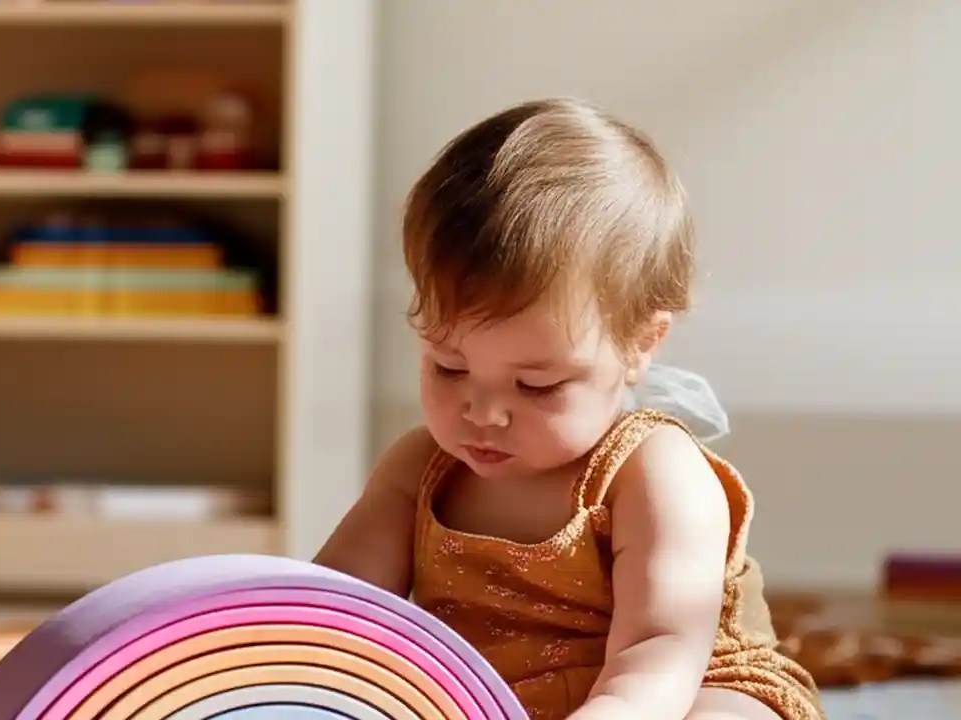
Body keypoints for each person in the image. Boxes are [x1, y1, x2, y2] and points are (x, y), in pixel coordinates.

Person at [313, 98, 824, 720]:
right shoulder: (419, 468)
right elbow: (335, 612)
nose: (484, 410)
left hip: (673, 687)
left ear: (639, 346)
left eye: (536, 384)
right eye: (449, 367)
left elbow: (660, 644)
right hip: (490, 699)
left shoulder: (651, 471)